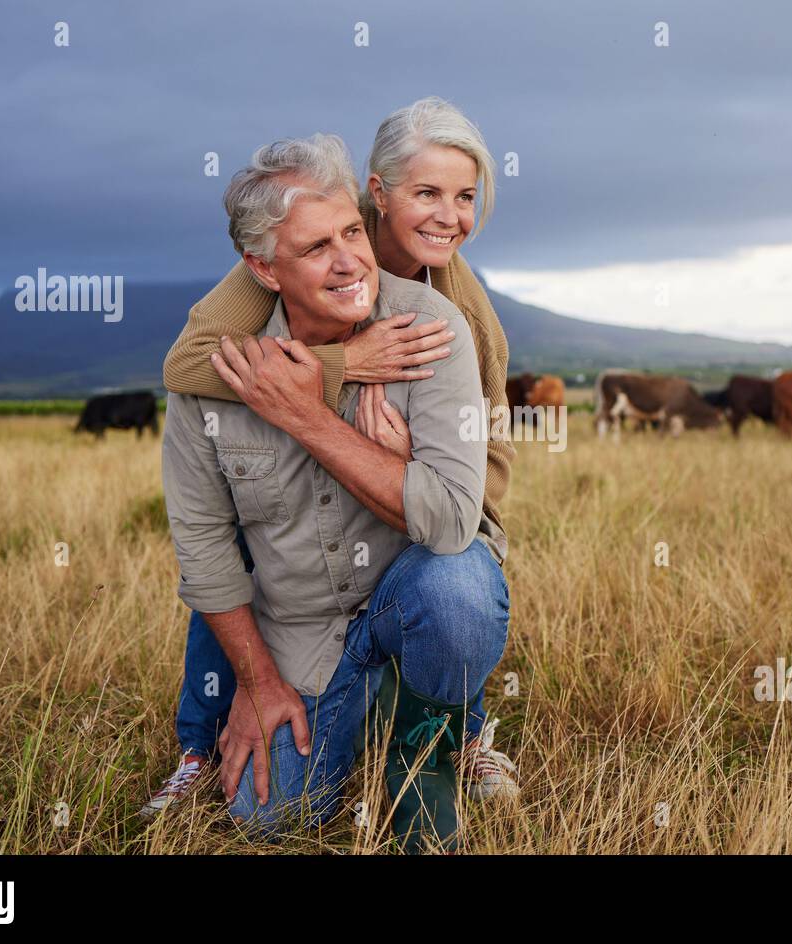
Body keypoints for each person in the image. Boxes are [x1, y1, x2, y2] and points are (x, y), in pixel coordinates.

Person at [144, 99, 519, 818]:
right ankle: (205, 737)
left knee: (457, 578)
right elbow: (187, 364)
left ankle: (446, 738)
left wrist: (421, 472)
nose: (448, 215)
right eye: (426, 193)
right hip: (304, 593)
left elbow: (478, 470)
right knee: (239, 549)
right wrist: (337, 364)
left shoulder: (455, 317)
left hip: (443, 507)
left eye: (466, 196)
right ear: (377, 193)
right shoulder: (284, 243)